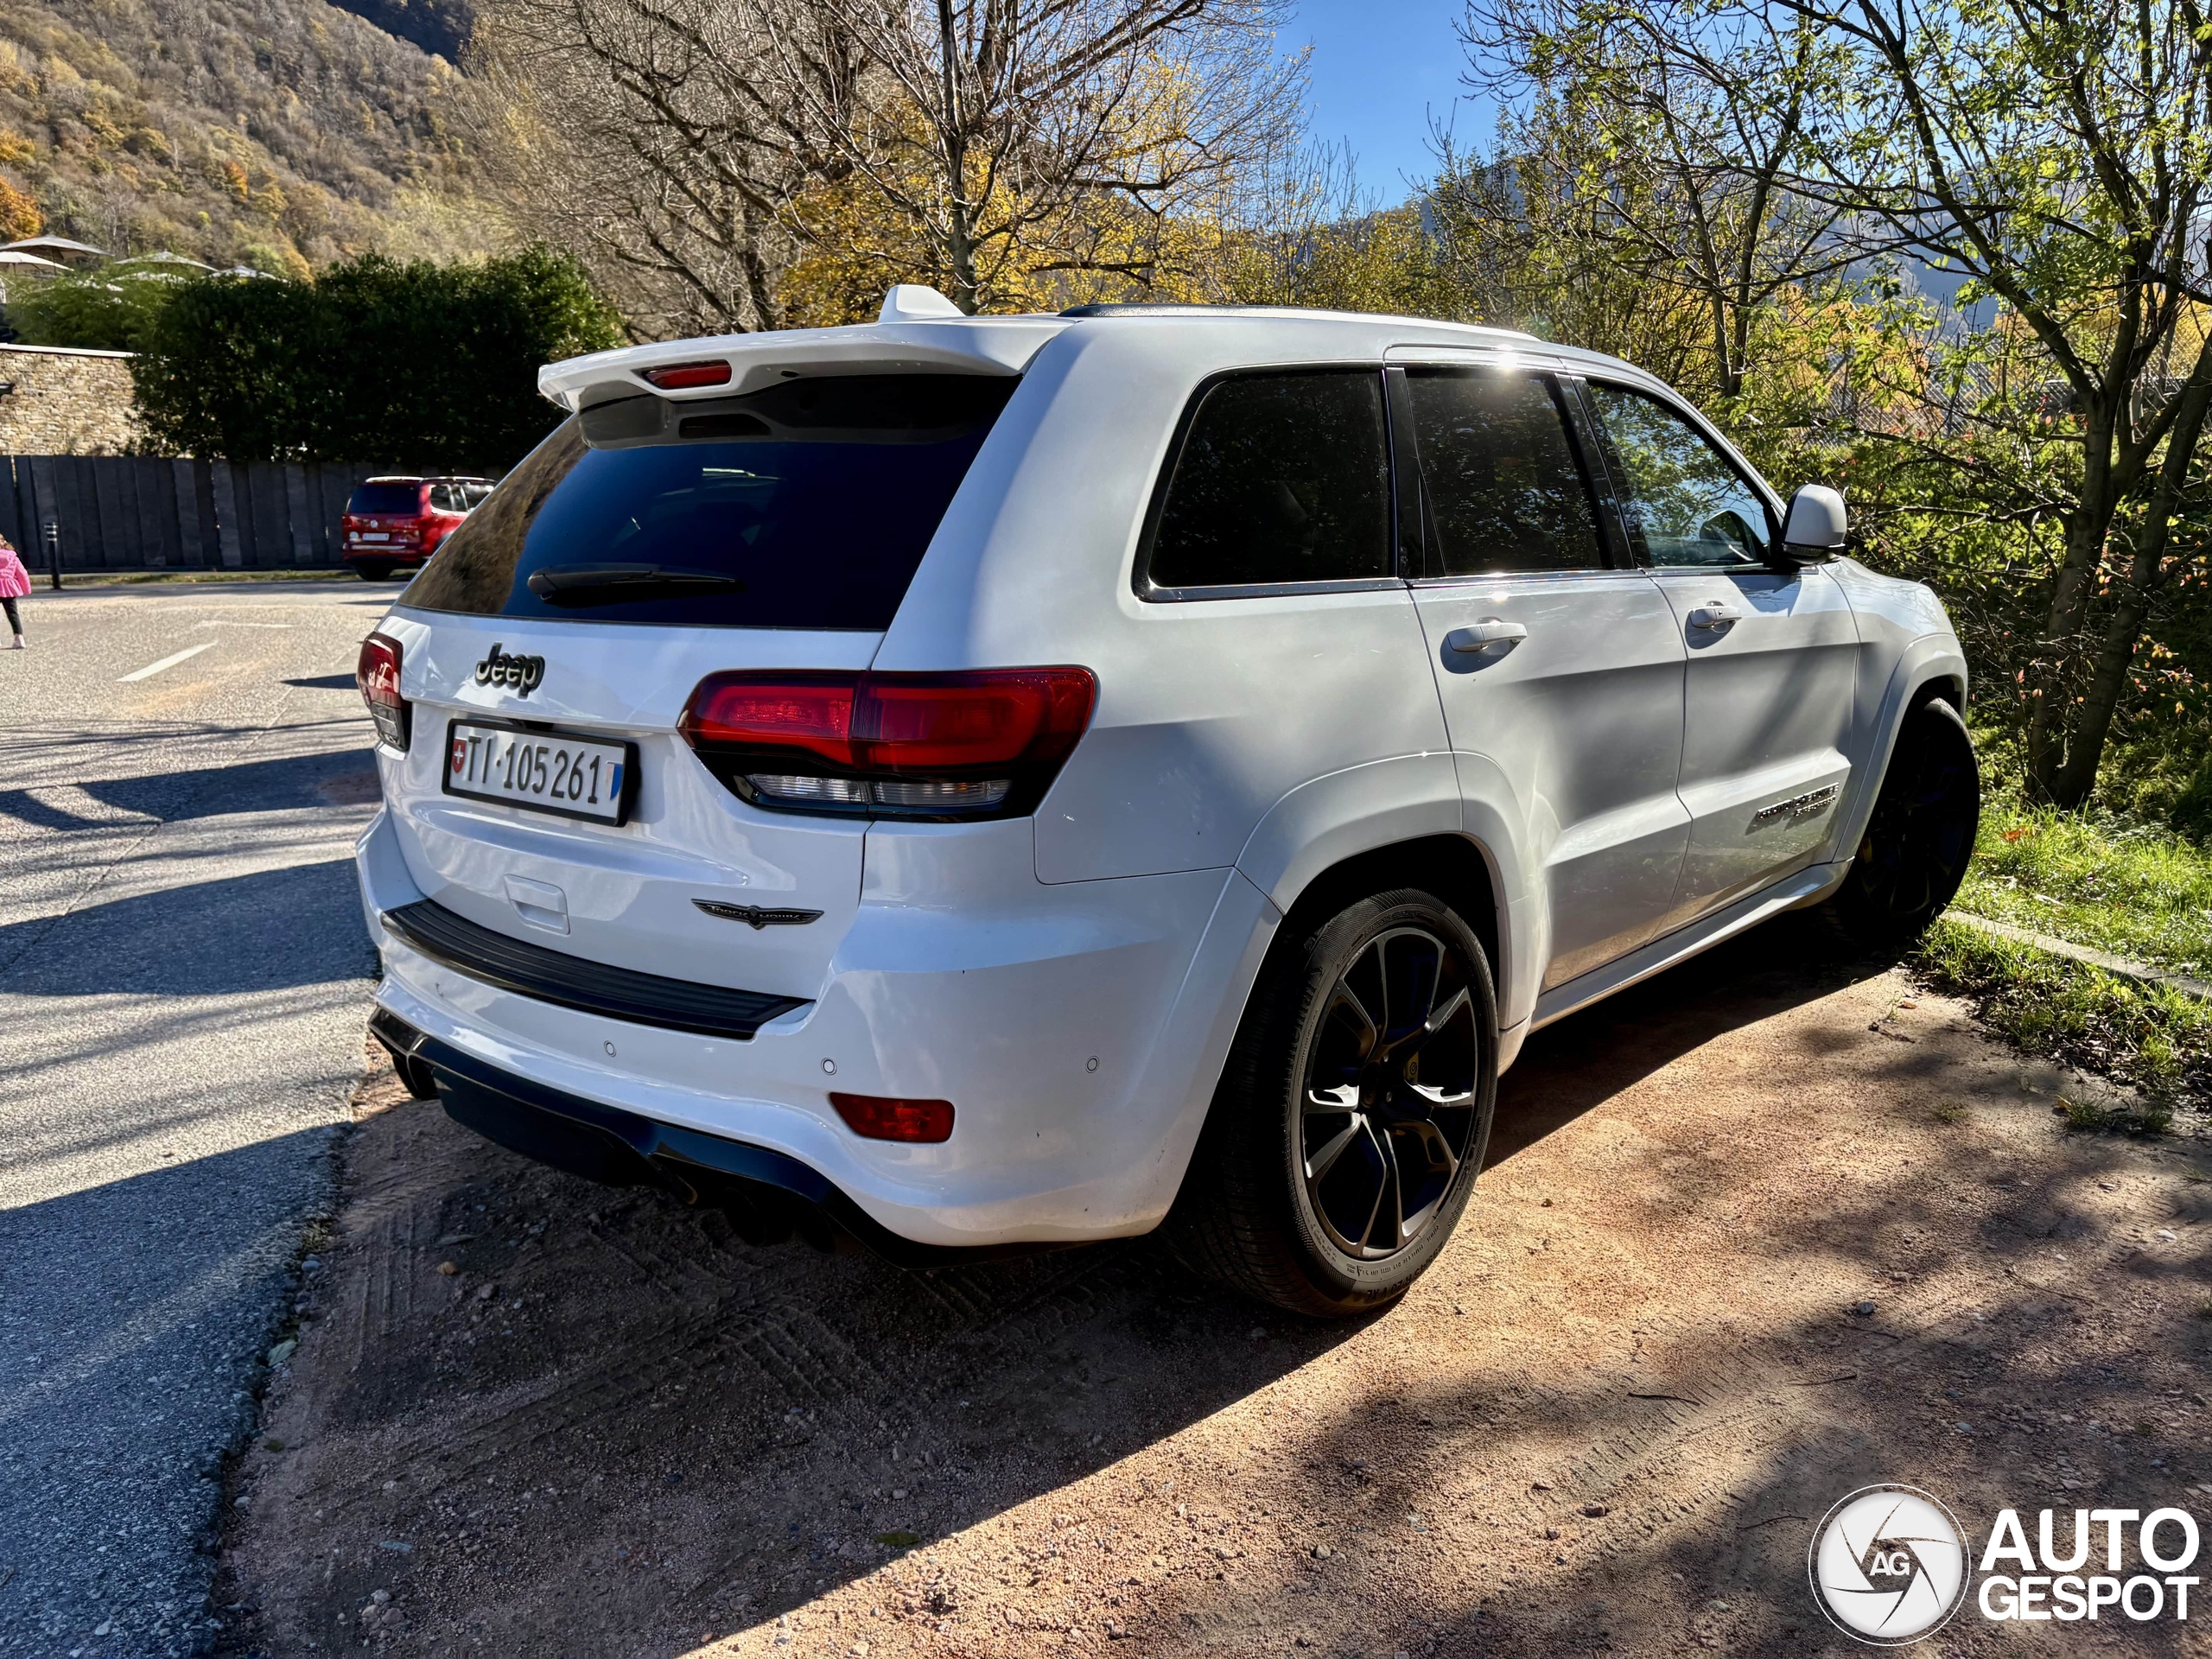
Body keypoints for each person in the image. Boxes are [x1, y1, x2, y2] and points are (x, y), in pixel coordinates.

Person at [0, 533, 26, 649]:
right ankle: (19, 638)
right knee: (13, 613)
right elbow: (22, 573)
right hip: (9, 587)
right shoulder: (12, 557)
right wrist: (26, 588)